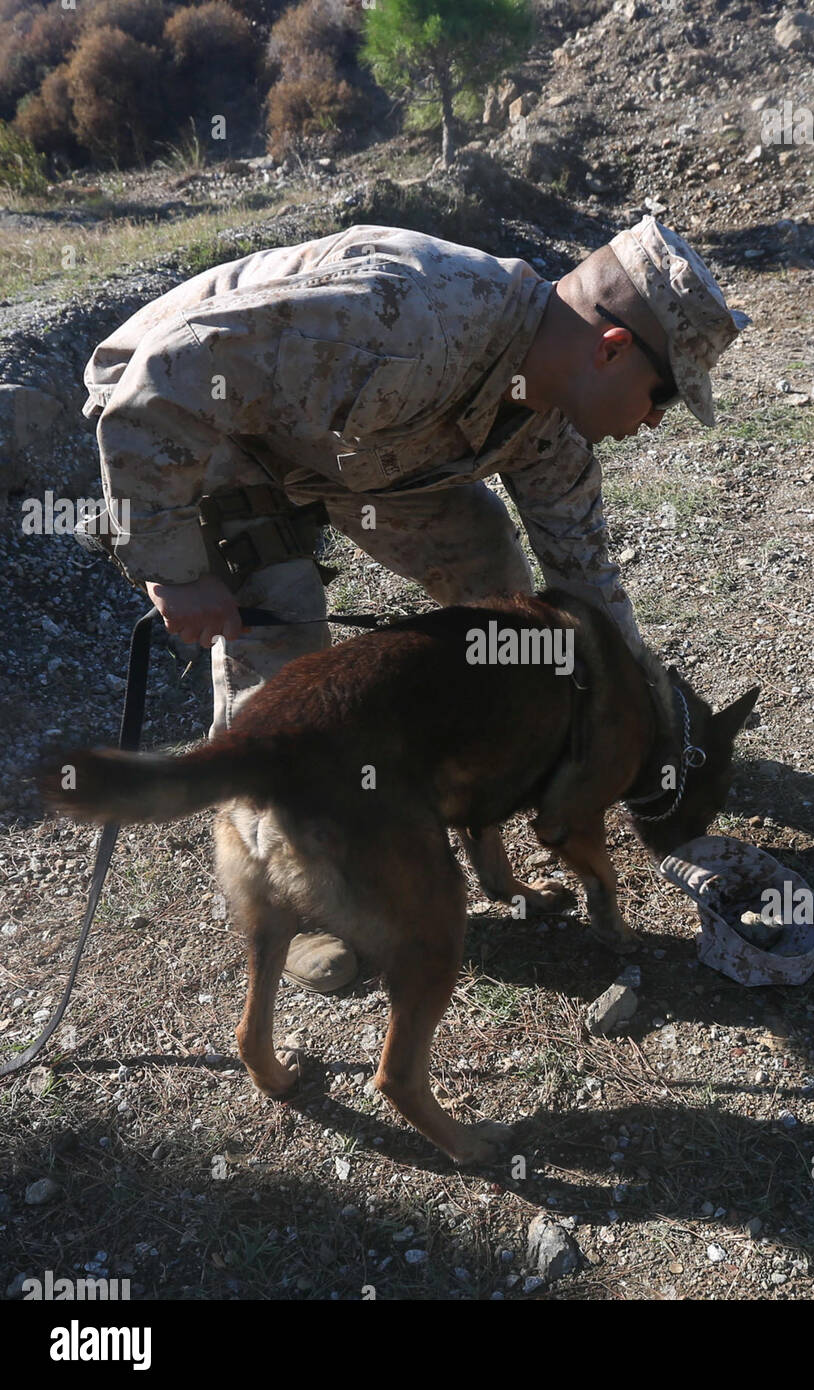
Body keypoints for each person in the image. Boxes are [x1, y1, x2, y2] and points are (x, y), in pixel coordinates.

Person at [80, 214, 748, 991]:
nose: (656, 419)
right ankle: (295, 896)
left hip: (350, 452)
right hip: (212, 436)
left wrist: (645, 712)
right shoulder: (411, 316)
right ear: (611, 348)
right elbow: (159, 383)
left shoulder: (549, 422)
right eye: (661, 394)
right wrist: (175, 568)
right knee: (287, 662)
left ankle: (478, 802)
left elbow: (585, 582)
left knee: (495, 579)